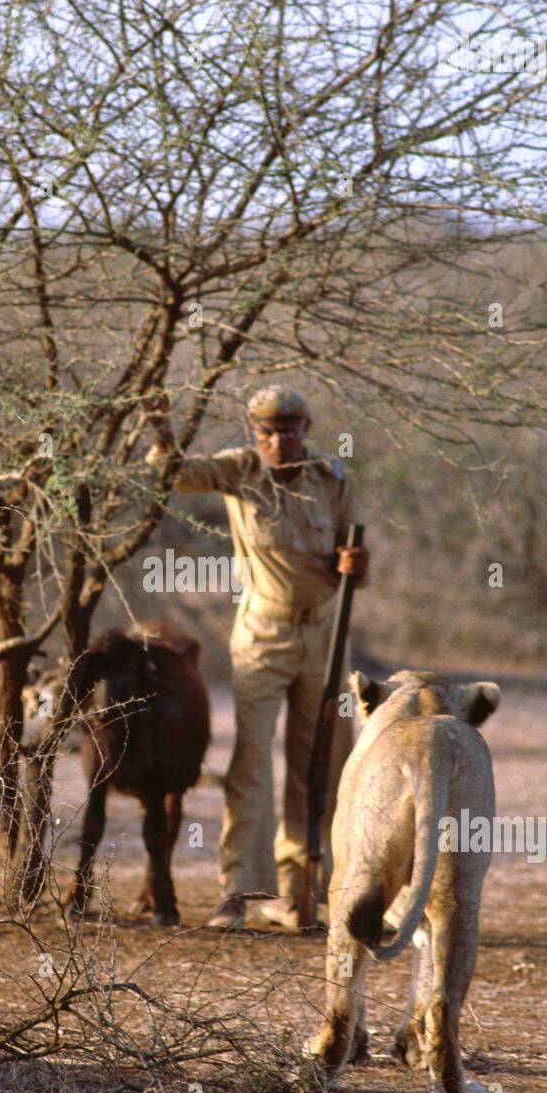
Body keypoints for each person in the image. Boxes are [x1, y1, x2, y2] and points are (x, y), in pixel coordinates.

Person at [147, 387, 369, 930]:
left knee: (322, 760)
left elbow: (353, 558)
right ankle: (239, 892)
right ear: (254, 432)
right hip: (262, 635)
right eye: (266, 431)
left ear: (306, 426)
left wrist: (357, 565)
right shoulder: (237, 471)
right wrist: (162, 427)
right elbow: (174, 472)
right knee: (251, 759)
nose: (277, 440)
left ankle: (302, 893)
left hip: (323, 635)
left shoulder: (332, 480)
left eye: (288, 430)